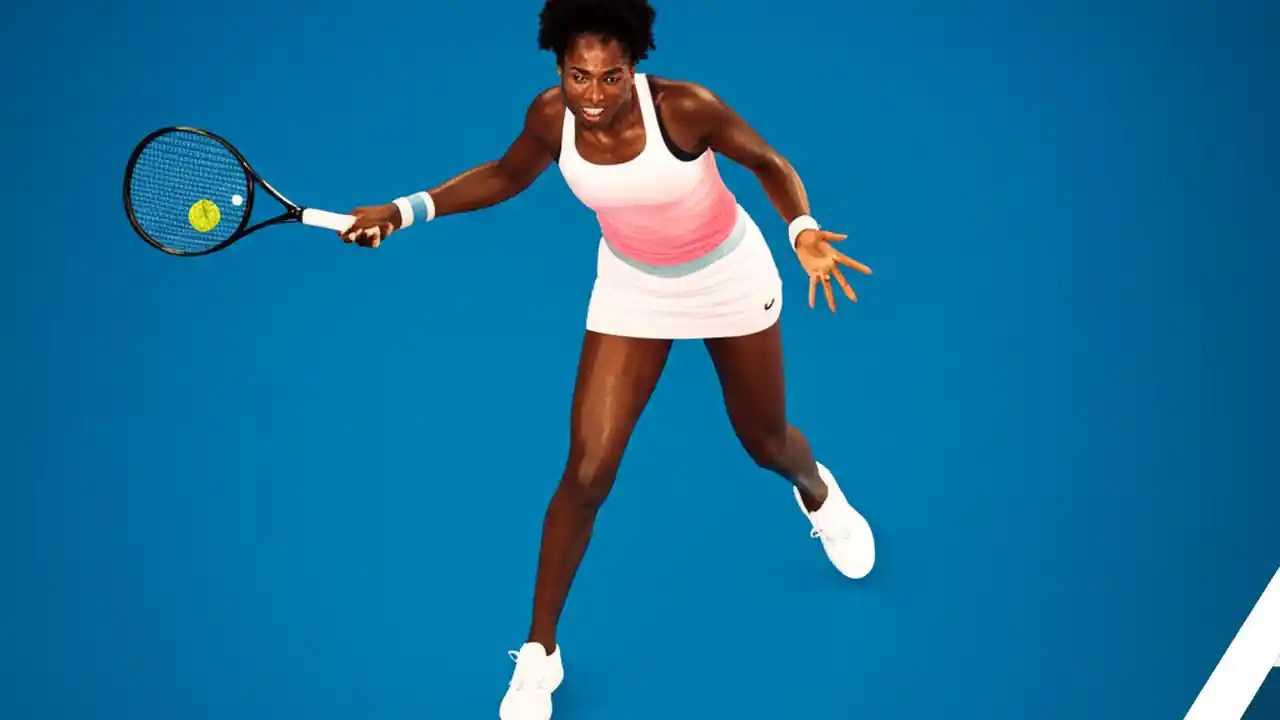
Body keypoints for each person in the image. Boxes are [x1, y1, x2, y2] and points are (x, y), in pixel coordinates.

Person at [338, 1, 876, 717]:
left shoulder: (685, 109)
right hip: (632, 287)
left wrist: (802, 230)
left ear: (637, 65)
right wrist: (404, 211)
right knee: (587, 472)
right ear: (559, 68)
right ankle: (539, 655)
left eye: (611, 76)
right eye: (578, 75)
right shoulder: (550, 115)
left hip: (729, 276)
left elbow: (766, 162)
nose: (593, 95)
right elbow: (505, 176)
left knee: (766, 442)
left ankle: (818, 491)